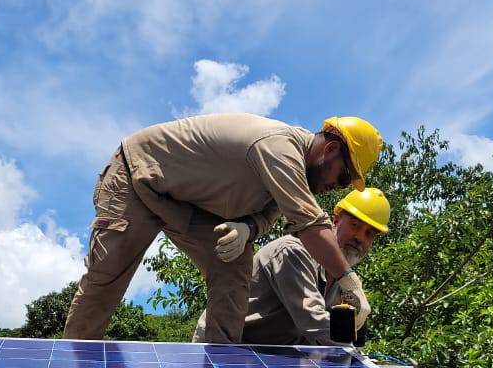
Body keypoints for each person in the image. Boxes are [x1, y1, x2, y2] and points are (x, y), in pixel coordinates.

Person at [62, 113, 382, 343]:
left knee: (235, 263)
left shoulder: (294, 173)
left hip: (189, 206)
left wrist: (247, 228)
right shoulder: (279, 147)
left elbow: (268, 214)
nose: (337, 186)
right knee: (107, 278)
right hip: (139, 178)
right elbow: (309, 223)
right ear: (330, 150)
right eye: (343, 177)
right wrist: (348, 281)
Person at [193, 187, 389, 346]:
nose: (359, 238)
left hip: (266, 354)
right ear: (335, 221)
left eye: (369, 234)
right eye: (355, 226)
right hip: (224, 345)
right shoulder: (294, 251)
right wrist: (351, 353)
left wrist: (355, 333)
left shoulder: (344, 282)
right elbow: (313, 321)